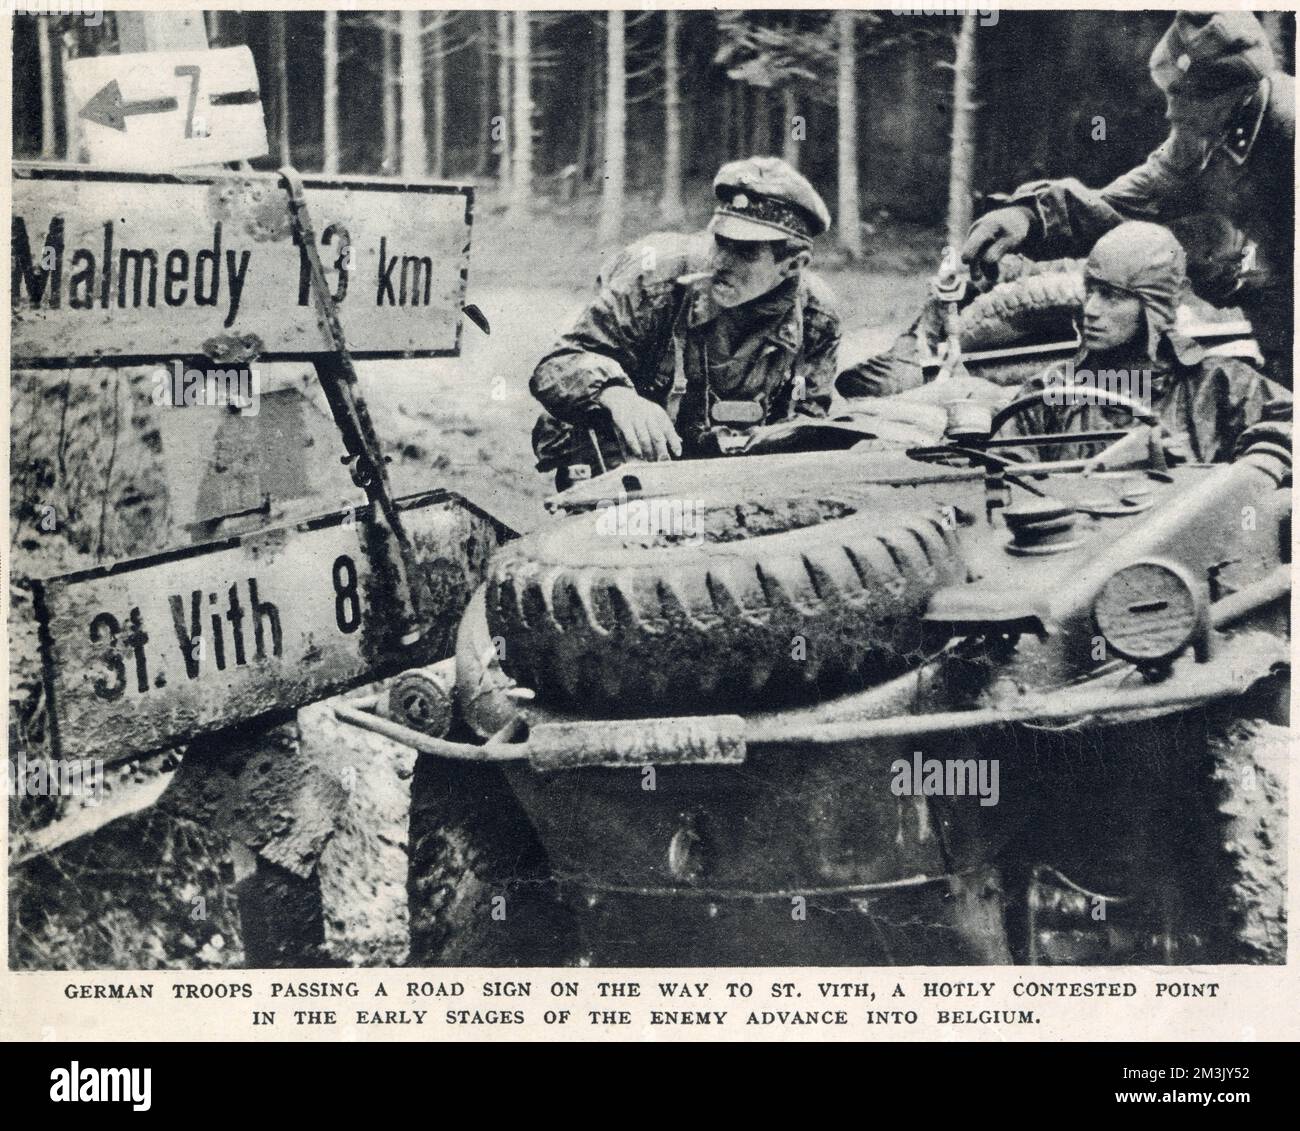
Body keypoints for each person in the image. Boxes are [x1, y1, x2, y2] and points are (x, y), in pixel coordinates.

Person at [962, 10, 1294, 387]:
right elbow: (1130, 202)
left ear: (1236, 95)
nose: (1171, 111)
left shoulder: (1288, 133)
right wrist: (1029, 217)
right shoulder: (1205, 131)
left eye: (1182, 97)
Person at [529, 157, 840, 490]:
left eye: (745, 253)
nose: (720, 261)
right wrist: (616, 395)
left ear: (794, 264)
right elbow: (558, 364)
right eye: (720, 241)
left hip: (726, 474)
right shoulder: (655, 278)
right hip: (621, 455)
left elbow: (805, 426)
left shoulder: (815, 317)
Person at [1001, 221, 1289, 466]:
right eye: (1090, 291)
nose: (1090, 309)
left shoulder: (1225, 386)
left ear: (1154, 306)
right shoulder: (1049, 393)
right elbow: (1004, 483)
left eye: (1111, 295)